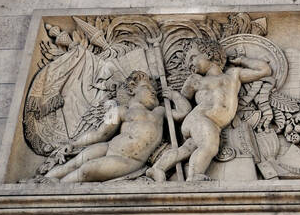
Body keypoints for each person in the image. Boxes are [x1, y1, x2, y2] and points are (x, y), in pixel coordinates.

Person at [148, 37, 272, 182]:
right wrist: (175, 96)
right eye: (187, 62)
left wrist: (242, 59)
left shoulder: (233, 75)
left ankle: (158, 167)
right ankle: (195, 175)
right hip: (201, 118)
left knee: (187, 149)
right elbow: (185, 107)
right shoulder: (196, 80)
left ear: (208, 54)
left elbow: (264, 70)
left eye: (193, 57)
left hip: (212, 124)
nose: (190, 64)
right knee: (209, 146)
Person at [39, 71, 168, 183]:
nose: (153, 92)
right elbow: (99, 133)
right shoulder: (118, 110)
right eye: (147, 87)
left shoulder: (158, 112)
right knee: (76, 162)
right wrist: (74, 144)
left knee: (86, 170)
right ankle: (41, 181)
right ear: (132, 89)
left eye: (155, 92)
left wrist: (174, 96)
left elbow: (181, 112)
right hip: (108, 146)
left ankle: (59, 186)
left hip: (127, 159)